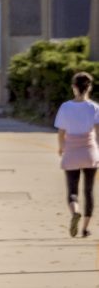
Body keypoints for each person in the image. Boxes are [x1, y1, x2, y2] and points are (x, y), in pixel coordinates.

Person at [56, 73, 99, 238]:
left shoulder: (65, 107)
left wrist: (61, 148)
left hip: (71, 151)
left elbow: (61, 132)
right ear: (89, 87)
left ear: (74, 87)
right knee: (89, 191)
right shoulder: (94, 107)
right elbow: (98, 133)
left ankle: (75, 211)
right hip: (90, 152)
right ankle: (85, 229)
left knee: (72, 189)